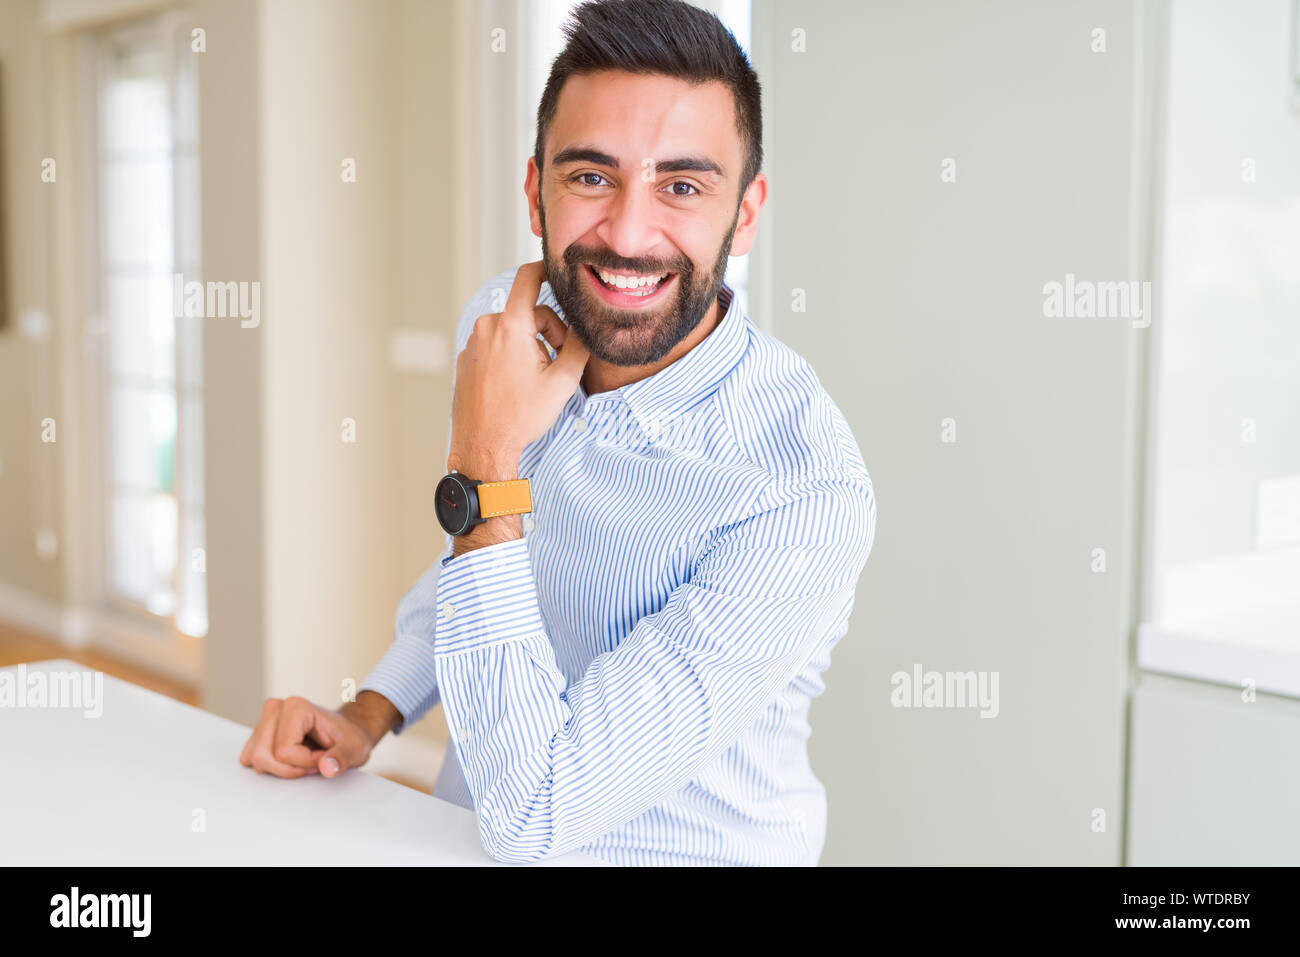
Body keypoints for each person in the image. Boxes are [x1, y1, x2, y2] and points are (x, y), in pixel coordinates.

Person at [239, 0, 875, 866]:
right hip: (459, 839)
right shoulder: (506, 331)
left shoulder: (799, 490)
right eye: (590, 176)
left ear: (747, 213)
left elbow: (536, 814)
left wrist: (484, 472)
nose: (626, 233)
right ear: (536, 189)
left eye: (682, 186)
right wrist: (367, 714)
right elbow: (483, 567)